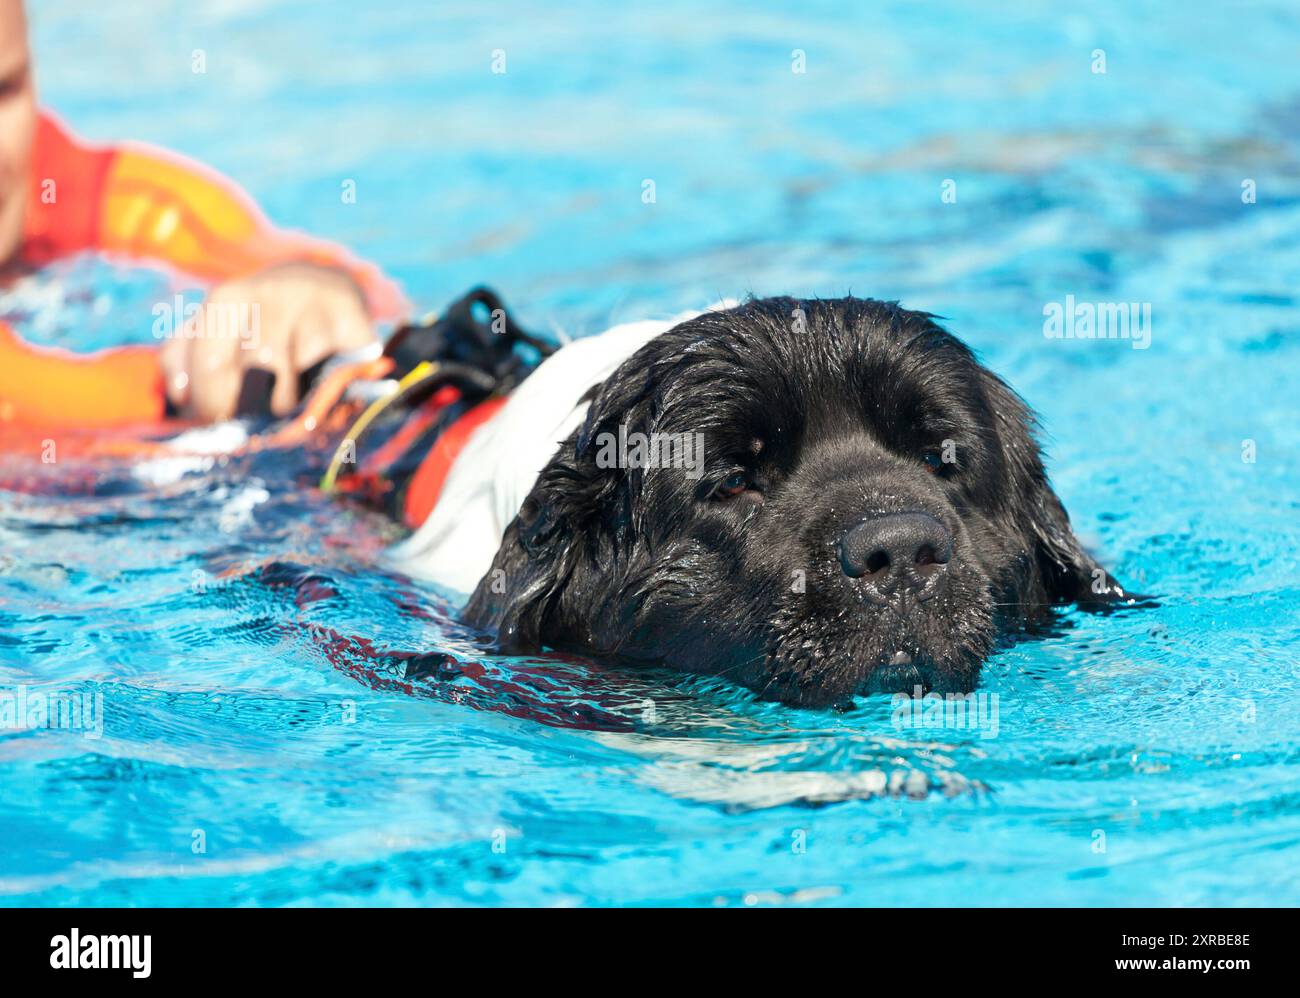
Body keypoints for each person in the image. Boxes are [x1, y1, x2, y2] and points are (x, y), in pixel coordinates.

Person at [0, 0, 404, 431]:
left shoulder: (118, 200)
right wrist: (183, 394)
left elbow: (378, 308)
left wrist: (314, 304)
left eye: (4, 89)